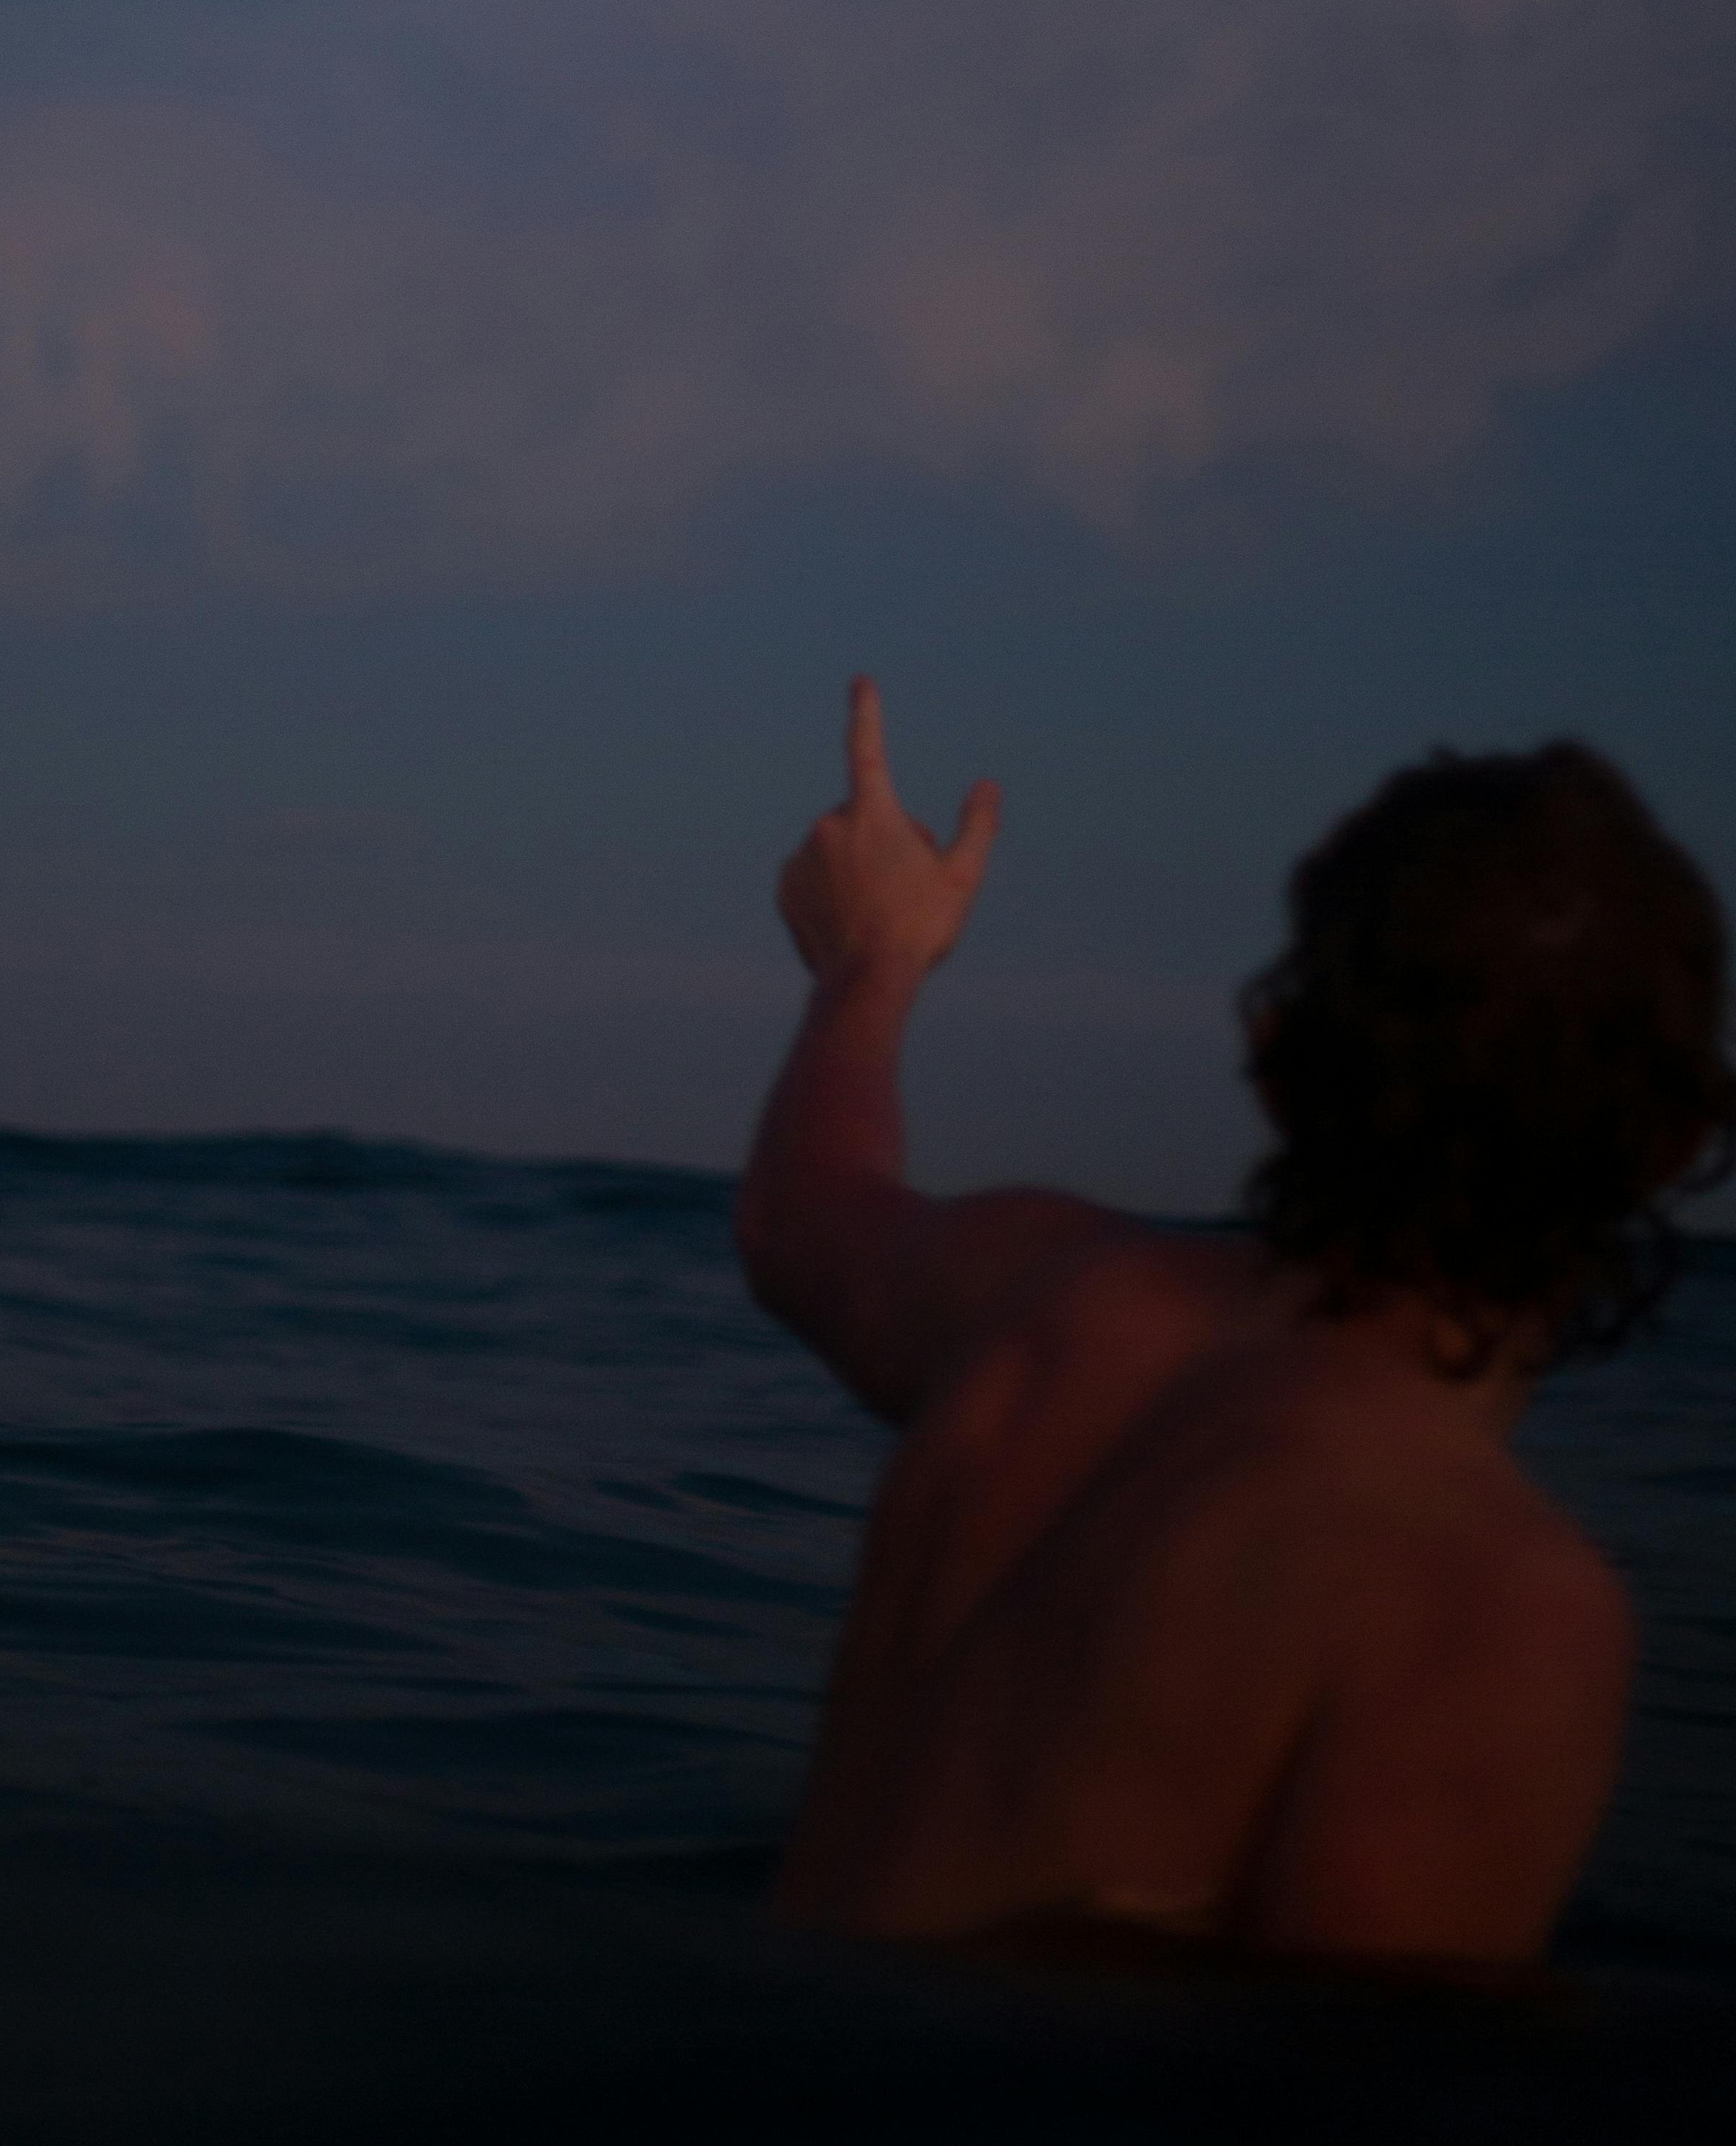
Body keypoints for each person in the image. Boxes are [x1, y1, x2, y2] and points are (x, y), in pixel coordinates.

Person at [735, 679, 1733, 1969]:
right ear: (1678, 1146)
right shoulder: (1500, 1605)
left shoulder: (1055, 1301)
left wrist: (875, 959)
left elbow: (802, 1222)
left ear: (1270, 1057)